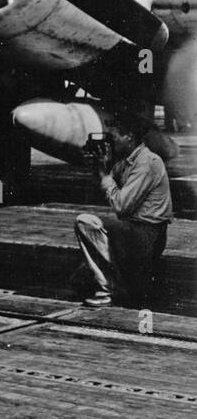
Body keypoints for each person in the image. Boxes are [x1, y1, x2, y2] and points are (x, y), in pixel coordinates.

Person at [74, 117, 172, 308]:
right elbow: (105, 192)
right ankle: (121, 280)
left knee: (84, 221)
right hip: (134, 230)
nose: (110, 141)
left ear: (129, 137)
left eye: (114, 137)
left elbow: (121, 205)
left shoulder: (148, 162)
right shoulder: (127, 163)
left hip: (147, 235)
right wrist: (100, 167)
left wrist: (104, 174)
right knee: (79, 280)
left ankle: (108, 290)